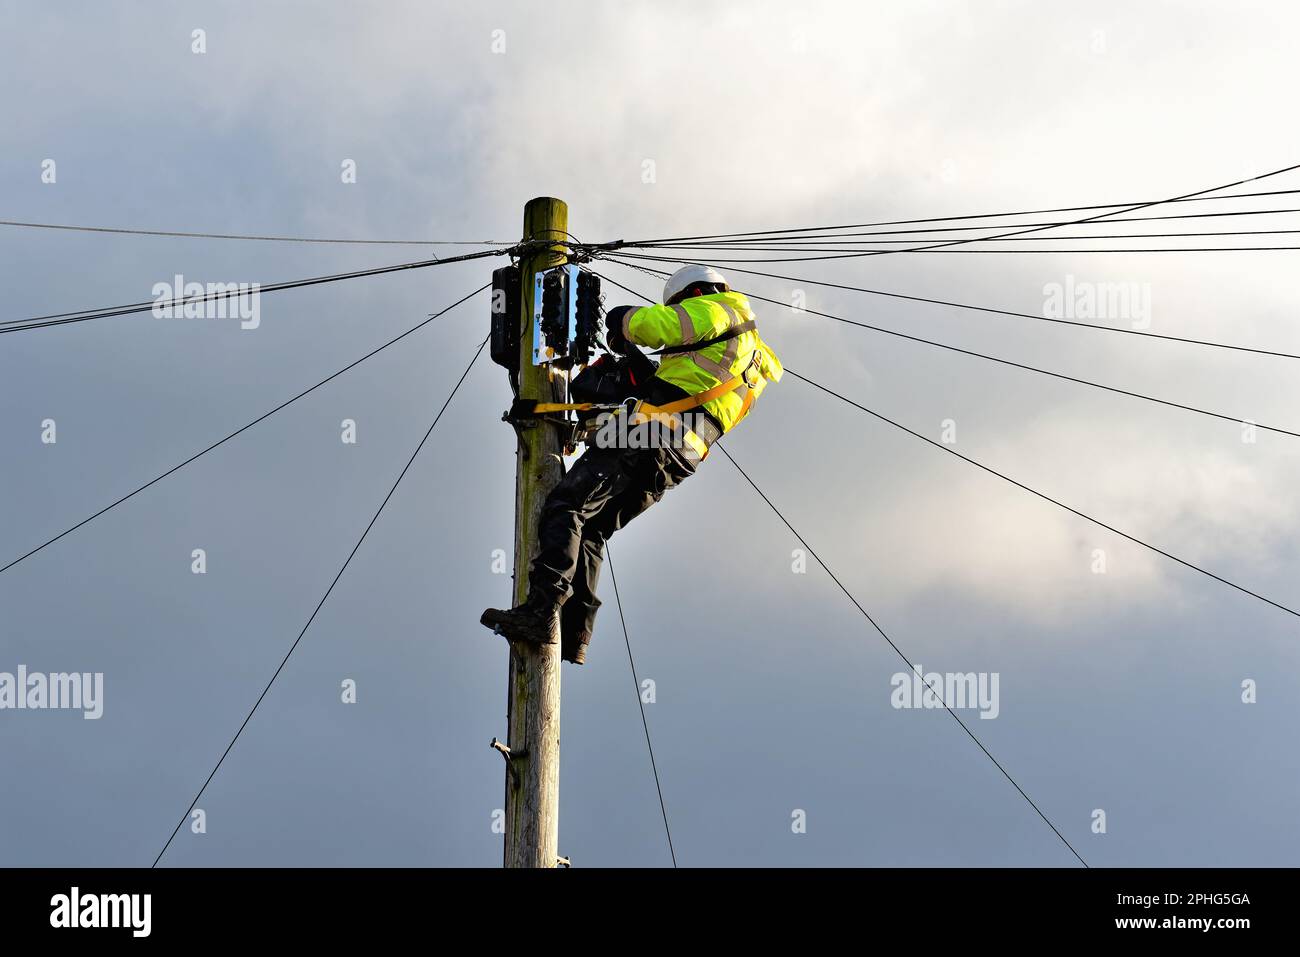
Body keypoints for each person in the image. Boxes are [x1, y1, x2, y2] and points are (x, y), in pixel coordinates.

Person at [480, 264, 782, 664]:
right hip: (678, 457)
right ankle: (573, 637)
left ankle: (540, 612)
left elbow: (660, 327)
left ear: (695, 293)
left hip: (646, 435)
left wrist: (624, 320)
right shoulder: (749, 355)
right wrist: (637, 362)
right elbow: (688, 384)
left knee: (566, 504)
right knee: (591, 530)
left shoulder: (721, 308)